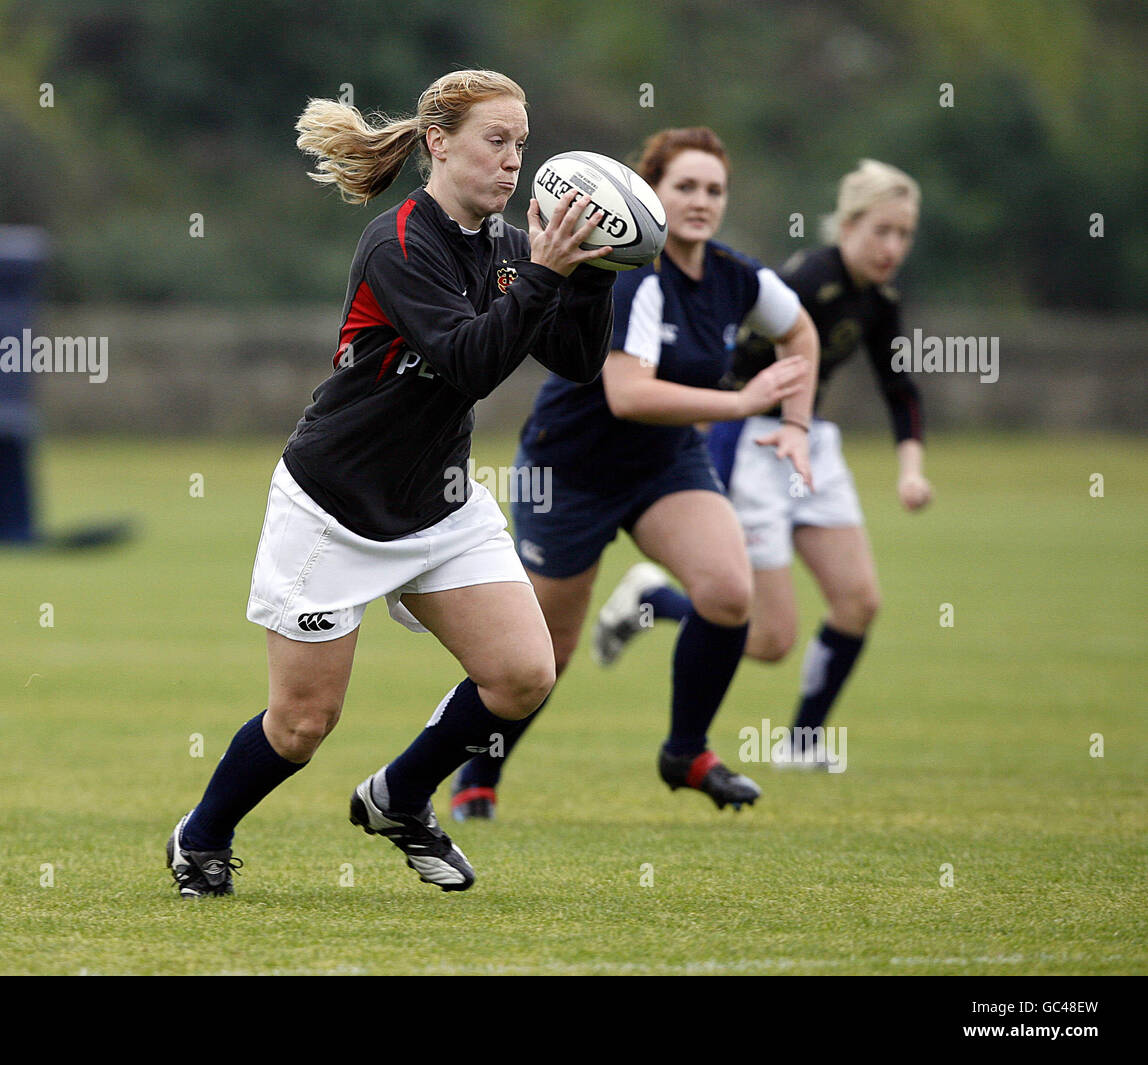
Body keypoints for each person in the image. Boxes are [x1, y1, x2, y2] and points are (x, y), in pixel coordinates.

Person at [165, 69, 619, 896]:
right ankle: (202, 834)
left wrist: (592, 271)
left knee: (524, 674)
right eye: (496, 140)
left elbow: (582, 363)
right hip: (332, 507)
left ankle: (399, 796)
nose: (514, 161)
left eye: (522, 143)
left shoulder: (514, 251)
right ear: (439, 143)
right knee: (303, 723)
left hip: (438, 506)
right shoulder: (398, 240)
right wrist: (549, 277)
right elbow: (470, 363)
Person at [450, 126, 819, 821]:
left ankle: (686, 752)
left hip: (664, 464)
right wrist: (740, 403)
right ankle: (476, 777)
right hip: (572, 468)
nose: (702, 200)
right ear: (650, 194)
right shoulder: (632, 277)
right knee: (546, 653)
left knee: (728, 591)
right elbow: (629, 393)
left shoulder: (736, 275)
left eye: (714, 188)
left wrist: (795, 425)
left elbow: (801, 332)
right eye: (685, 186)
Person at [595, 159, 933, 768]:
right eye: (881, 230)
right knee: (772, 638)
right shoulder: (808, 277)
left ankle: (802, 743)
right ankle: (654, 600)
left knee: (859, 602)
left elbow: (898, 386)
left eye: (904, 234)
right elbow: (721, 349)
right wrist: (710, 428)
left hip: (810, 442)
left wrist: (911, 469)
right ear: (848, 225)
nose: (892, 247)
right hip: (749, 440)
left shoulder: (879, 298)